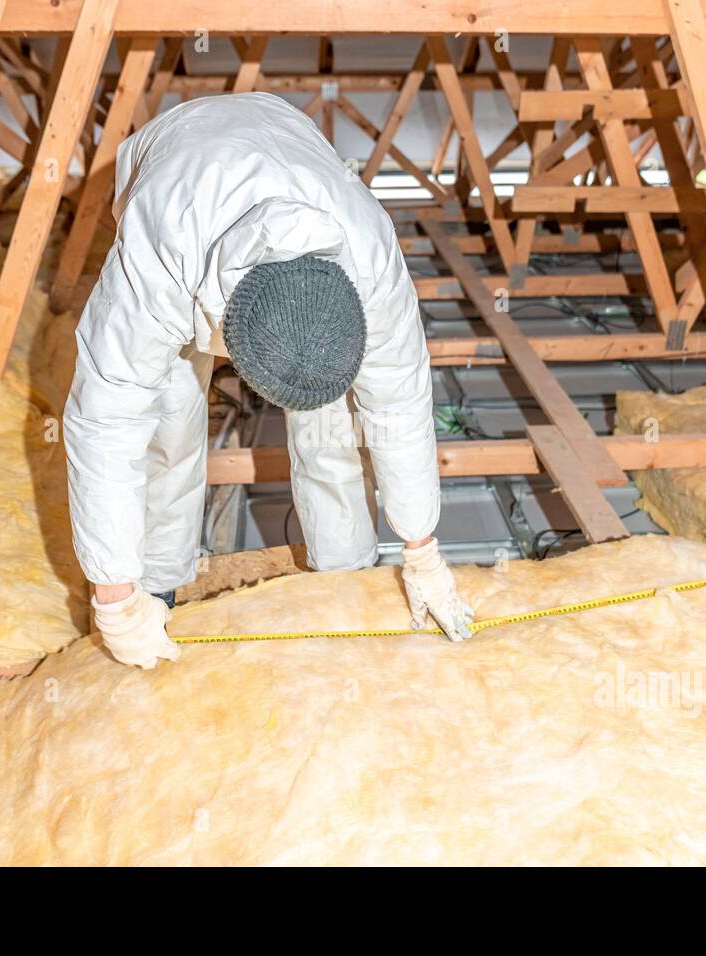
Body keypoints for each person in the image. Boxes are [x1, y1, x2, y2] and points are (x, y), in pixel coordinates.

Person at [64, 92, 473, 668]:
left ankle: (345, 575)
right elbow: (106, 424)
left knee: (332, 426)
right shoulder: (156, 261)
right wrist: (114, 598)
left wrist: (422, 547)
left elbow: (399, 404)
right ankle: (155, 584)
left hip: (284, 134)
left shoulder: (371, 260)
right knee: (168, 423)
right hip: (174, 159)